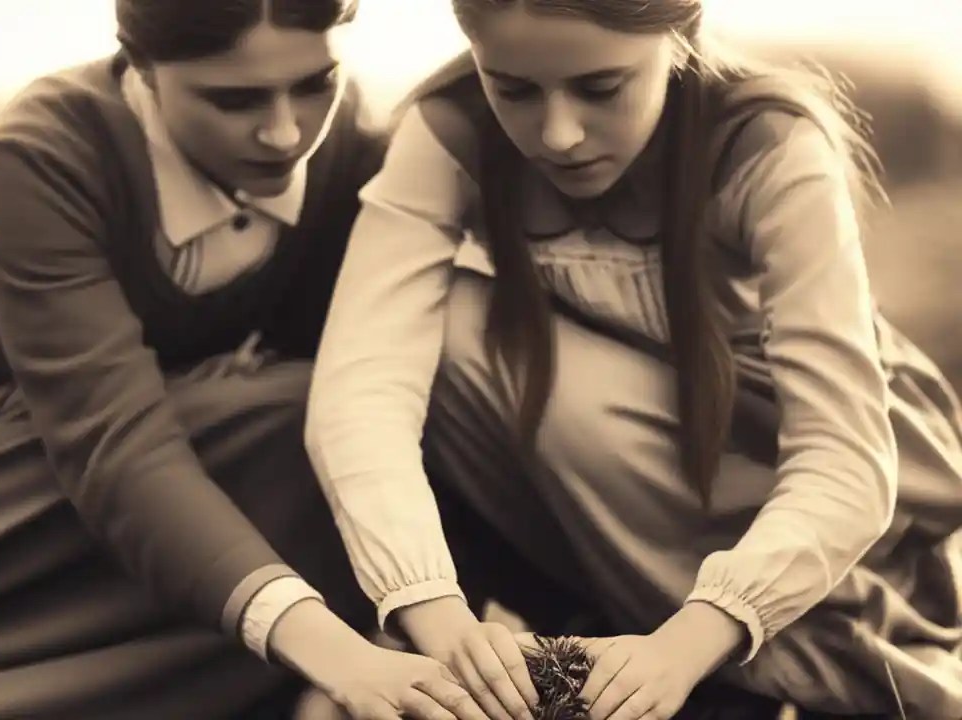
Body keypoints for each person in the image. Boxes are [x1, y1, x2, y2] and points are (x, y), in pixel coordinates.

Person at [0, 2, 496, 718]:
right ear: (139, 66)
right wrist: (338, 655)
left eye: (312, 84)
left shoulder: (346, 143)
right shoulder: (44, 149)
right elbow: (117, 446)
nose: (286, 131)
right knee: (270, 420)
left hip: (161, 424)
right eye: (233, 98)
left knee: (327, 421)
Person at [304, 1, 962, 718]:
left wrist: (689, 641)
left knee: (564, 399)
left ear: (678, 34)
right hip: (590, 476)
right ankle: (586, 632)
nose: (558, 134)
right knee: (456, 330)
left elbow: (844, 458)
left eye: (600, 87)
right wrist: (436, 614)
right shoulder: (449, 129)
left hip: (769, 476)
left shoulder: (766, 141)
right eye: (514, 90)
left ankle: (743, 654)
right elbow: (358, 394)